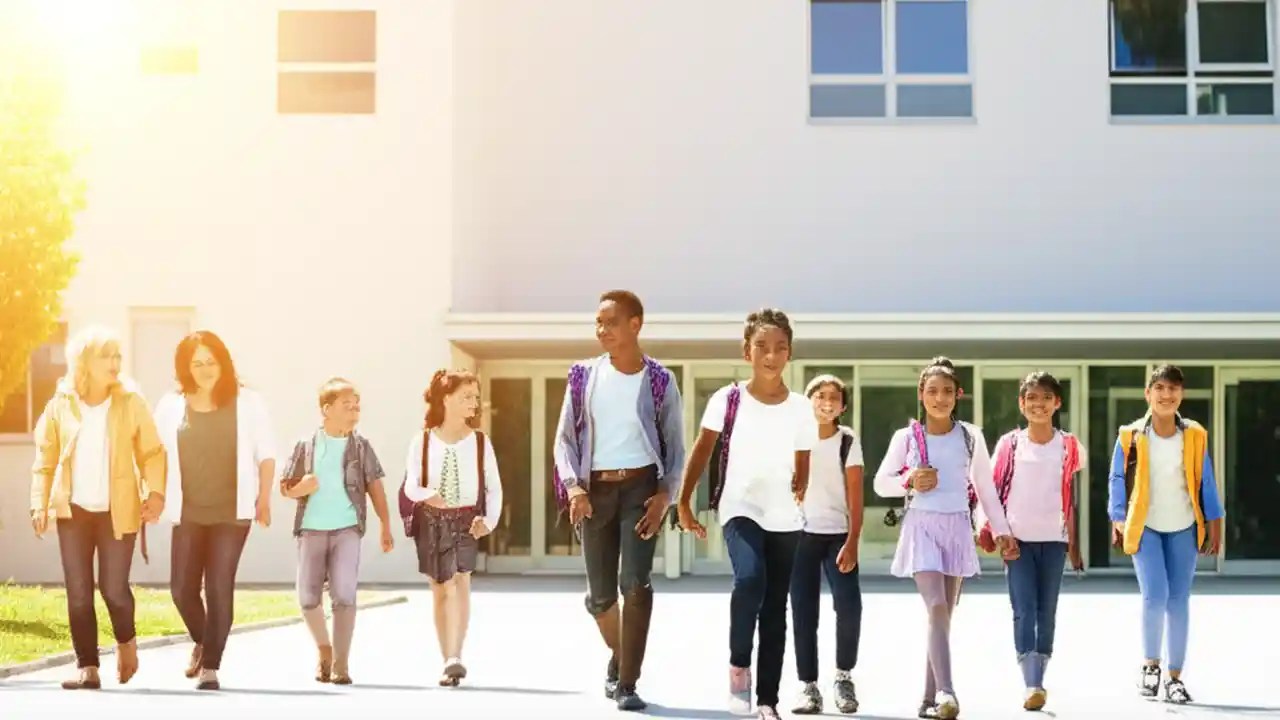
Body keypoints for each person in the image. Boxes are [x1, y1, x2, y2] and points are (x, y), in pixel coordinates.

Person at [677, 308, 817, 720]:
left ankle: (767, 701)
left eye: (780, 348)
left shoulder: (800, 407)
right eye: (761, 347)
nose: (770, 355)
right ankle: (740, 667)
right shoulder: (728, 398)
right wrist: (684, 501)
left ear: (789, 354)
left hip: (785, 515)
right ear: (746, 351)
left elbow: (803, 456)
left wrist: (801, 485)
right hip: (739, 506)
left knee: (776, 608)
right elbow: (702, 450)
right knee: (751, 580)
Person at [551, 290, 685, 711]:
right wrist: (574, 487)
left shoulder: (660, 380)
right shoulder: (582, 376)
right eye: (598, 322)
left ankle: (627, 682)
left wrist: (666, 495)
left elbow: (676, 448)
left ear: (635, 324)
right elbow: (564, 441)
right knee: (601, 599)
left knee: (636, 584)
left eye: (610, 322)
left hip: (642, 490)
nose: (601, 330)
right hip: (595, 493)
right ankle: (621, 656)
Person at [873, 356, 1016, 720]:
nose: (940, 398)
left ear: (959, 395)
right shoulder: (906, 438)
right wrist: (909, 479)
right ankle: (948, 692)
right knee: (936, 606)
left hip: (957, 529)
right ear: (921, 395)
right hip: (921, 526)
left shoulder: (970, 436)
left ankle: (927, 699)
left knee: (943, 618)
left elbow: (985, 488)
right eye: (932, 391)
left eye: (948, 391)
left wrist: (1002, 532)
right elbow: (881, 482)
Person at [29, 325, 166, 690]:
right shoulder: (60, 406)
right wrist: (38, 503)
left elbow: (152, 453)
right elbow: (45, 458)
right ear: (84, 363)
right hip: (73, 511)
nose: (115, 363)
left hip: (116, 511)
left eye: (118, 356)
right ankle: (87, 666)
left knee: (114, 589)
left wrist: (156, 493)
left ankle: (126, 642)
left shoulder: (131, 404)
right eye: (107, 356)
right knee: (77, 590)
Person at [154, 330, 277, 690]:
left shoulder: (247, 401)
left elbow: (266, 454)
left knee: (219, 586)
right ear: (185, 368)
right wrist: (153, 494)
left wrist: (264, 499)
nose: (206, 369)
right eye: (197, 363)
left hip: (232, 512)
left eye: (212, 361)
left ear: (223, 362)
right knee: (181, 589)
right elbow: (154, 455)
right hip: (188, 509)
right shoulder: (171, 405)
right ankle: (204, 640)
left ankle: (210, 666)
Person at [1107, 364, 1223, 705]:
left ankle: (1175, 676)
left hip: (1185, 527)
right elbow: (1117, 479)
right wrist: (1118, 518)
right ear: (1148, 394)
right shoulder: (1130, 435)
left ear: (1181, 395)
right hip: (1146, 528)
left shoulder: (1195, 435)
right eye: (1159, 388)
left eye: (1173, 389)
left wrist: (1215, 524)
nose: (1166, 395)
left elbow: (1207, 482)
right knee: (1154, 596)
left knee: (1179, 600)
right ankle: (1150, 665)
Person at [976, 372, 1084, 711]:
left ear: (1057, 403)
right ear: (1022, 404)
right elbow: (990, 491)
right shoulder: (1009, 444)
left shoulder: (1069, 446)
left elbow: (1070, 497)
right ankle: (1031, 682)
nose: (1039, 404)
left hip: (1054, 541)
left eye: (1046, 398)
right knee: (1023, 609)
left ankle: (1040, 670)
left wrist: (1075, 543)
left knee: (1046, 610)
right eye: (1032, 398)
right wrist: (996, 531)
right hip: (1016, 541)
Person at [279, 377, 395, 685]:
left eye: (357, 405)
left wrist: (386, 524)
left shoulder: (361, 447)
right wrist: (300, 488)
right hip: (311, 530)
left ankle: (341, 664)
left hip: (347, 529)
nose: (355, 410)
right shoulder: (305, 446)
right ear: (326, 409)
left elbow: (375, 487)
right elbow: (285, 487)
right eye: (347, 405)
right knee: (307, 599)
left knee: (344, 596)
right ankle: (324, 650)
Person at [403, 369, 503, 687]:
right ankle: (445, 655)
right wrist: (427, 495)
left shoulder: (480, 442)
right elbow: (410, 485)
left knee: (459, 582)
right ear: (446, 399)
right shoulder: (421, 440)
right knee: (440, 589)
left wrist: (489, 521)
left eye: (475, 397)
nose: (474, 403)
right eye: (467, 397)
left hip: (465, 518)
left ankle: (455, 657)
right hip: (431, 518)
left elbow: (494, 487)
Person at [790, 374, 864, 715]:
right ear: (809, 402)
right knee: (804, 613)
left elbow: (856, 497)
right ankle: (808, 686)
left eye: (834, 397)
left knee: (849, 607)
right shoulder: (793, 437)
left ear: (843, 407)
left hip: (838, 535)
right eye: (820, 396)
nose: (827, 402)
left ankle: (844, 678)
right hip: (800, 537)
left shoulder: (847, 441)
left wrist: (852, 541)